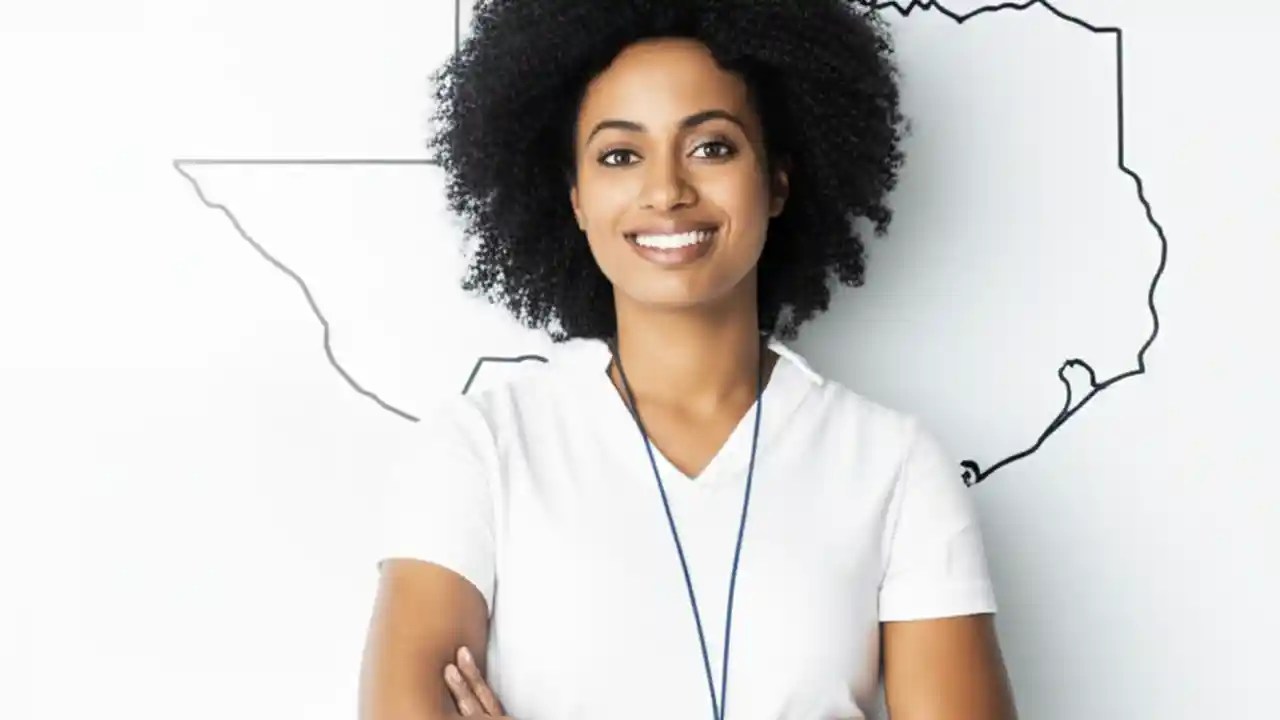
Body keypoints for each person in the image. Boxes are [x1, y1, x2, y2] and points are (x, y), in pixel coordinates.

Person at [359, 1, 1018, 718]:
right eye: (619, 155)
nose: (667, 190)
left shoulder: (894, 467)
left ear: (778, 182)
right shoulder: (482, 447)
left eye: (712, 147)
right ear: (576, 198)